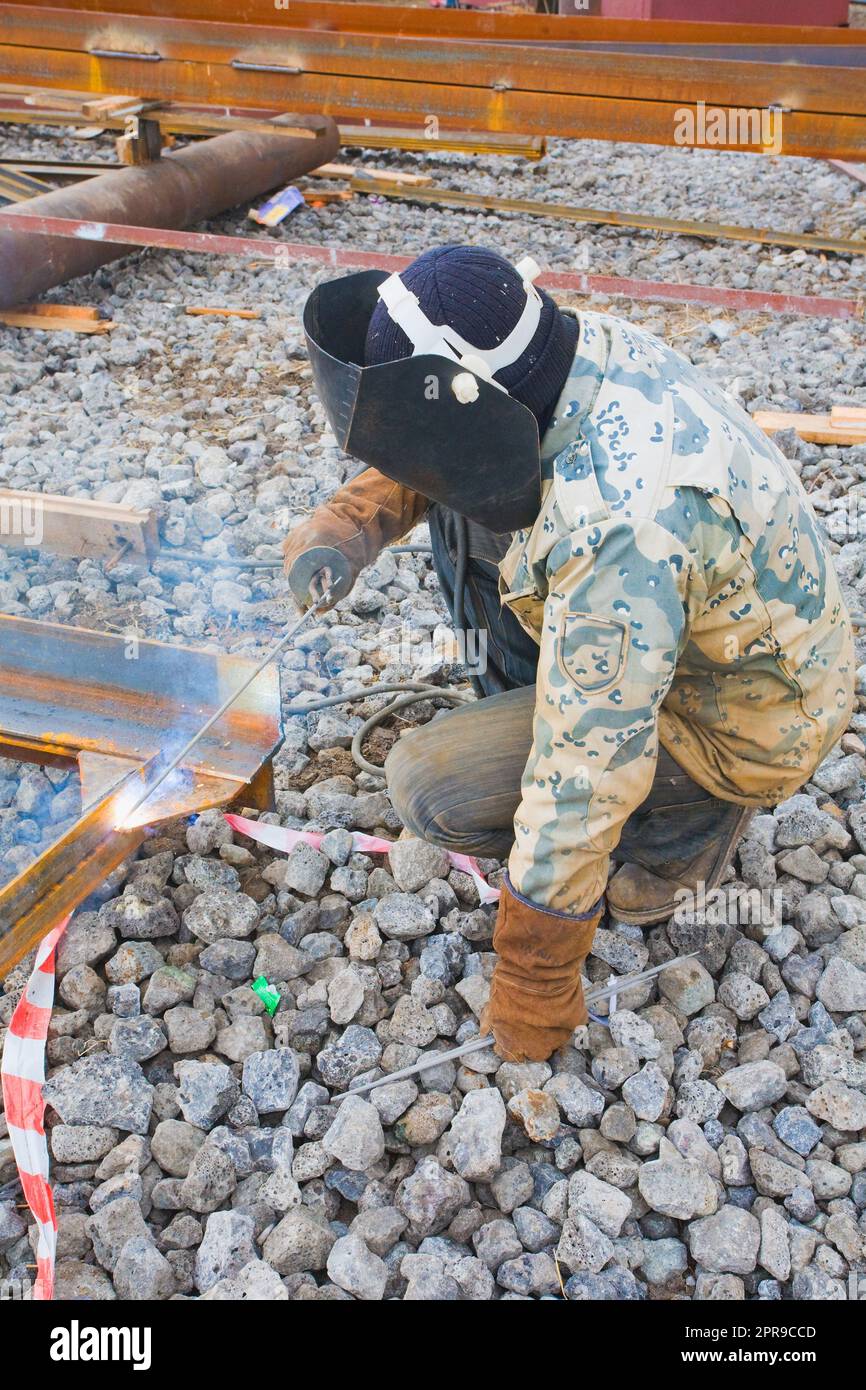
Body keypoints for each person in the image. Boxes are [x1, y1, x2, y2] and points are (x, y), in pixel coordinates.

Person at [283, 244, 855, 1063]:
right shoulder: (555, 357)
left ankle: (684, 828)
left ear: (468, 390)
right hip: (703, 623)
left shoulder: (621, 529)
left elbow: (587, 767)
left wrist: (535, 978)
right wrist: (352, 520)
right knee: (460, 497)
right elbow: (439, 438)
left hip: (746, 716)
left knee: (430, 786)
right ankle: (532, 699)